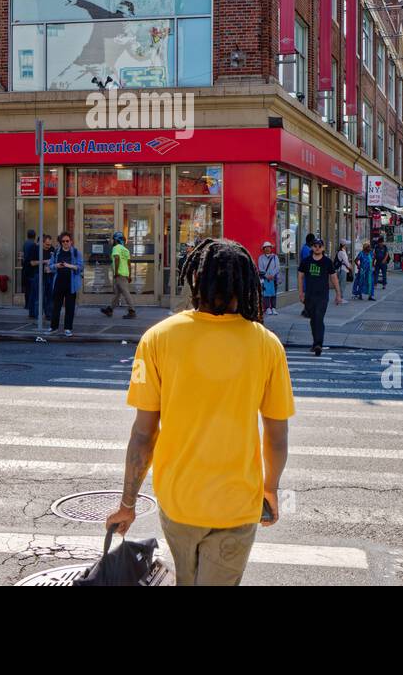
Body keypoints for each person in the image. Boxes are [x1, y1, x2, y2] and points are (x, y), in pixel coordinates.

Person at [104, 239, 294, 586]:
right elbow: (277, 436)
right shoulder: (267, 345)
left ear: (195, 279)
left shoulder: (158, 338)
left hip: (178, 502)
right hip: (237, 505)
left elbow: (144, 434)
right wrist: (270, 489)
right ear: (246, 285)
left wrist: (128, 503)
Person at [300, 238, 338, 356]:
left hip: (322, 296)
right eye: (315, 245)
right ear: (312, 247)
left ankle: (318, 344)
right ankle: (315, 342)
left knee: (319, 318)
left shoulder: (327, 262)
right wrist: (301, 293)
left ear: (323, 248)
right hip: (309, 296)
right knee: (313, 320)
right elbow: (300, 277)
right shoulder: (306, 261)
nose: (317, 247)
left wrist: (338, 294)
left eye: (319, 246)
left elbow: (334, 277)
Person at [48, 232, 83, 337]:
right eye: (63, 241)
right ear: (60, 242)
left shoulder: (76, 252)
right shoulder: (56, 252)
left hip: (71, 284)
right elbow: (50, 265)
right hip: (58, 282)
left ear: (71, 241)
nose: (65, 243)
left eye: (67, 241)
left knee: (70, 307)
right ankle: (53, 327)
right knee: (56, 306)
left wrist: (68, 265)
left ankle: (68, 328)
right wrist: (57, 265)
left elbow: (80, 267)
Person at [100, 231, 136, 319]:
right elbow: (128, 264)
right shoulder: (126, 250)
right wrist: (129, 276)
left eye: (113, 240)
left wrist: (116, 273)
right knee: (117, 294)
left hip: (119, 274)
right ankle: (110, 310)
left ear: (116, 240)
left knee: (126, 293)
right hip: (125, 274)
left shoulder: (116, 248)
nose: (112, 241)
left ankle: (132, 311)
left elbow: (116, 260)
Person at [257, 241, 280, 316]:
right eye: (266, 247)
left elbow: (277, 267)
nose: (267, 249)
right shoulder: (261, 258)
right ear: (263, 249)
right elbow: (261, 269)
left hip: (274, 278)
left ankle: (273, 307)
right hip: (265, 278)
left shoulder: (275, 257)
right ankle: (267, 308)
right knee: (266, 293)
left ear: (271, 248)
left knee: (274, 293)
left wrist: (272, 275)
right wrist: (267, 276)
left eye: (269, 247)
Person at [21, 230, 40, 319]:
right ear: (35, 235)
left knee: (27, 287)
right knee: (31, 288)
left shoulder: (25, 243)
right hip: (31, 269)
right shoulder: (33, 245)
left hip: (26, 268)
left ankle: (27, 304)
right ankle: (29, 305)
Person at [299, 234, 316, 319]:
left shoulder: (307, 249)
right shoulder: (306, 250)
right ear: (310, 241)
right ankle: (307, 311)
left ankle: (306, 310)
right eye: (313, 241)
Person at [332, 241, 351, 305]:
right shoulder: (342, 252)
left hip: (341, 270)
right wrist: (350, 267)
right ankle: (340, 298)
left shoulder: (340, 251)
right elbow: (346, 262)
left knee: (340, 284)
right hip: (342, 270)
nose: (346, 246)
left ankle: (337, 298)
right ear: (343, 245)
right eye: (346, 245)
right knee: (342, 284)